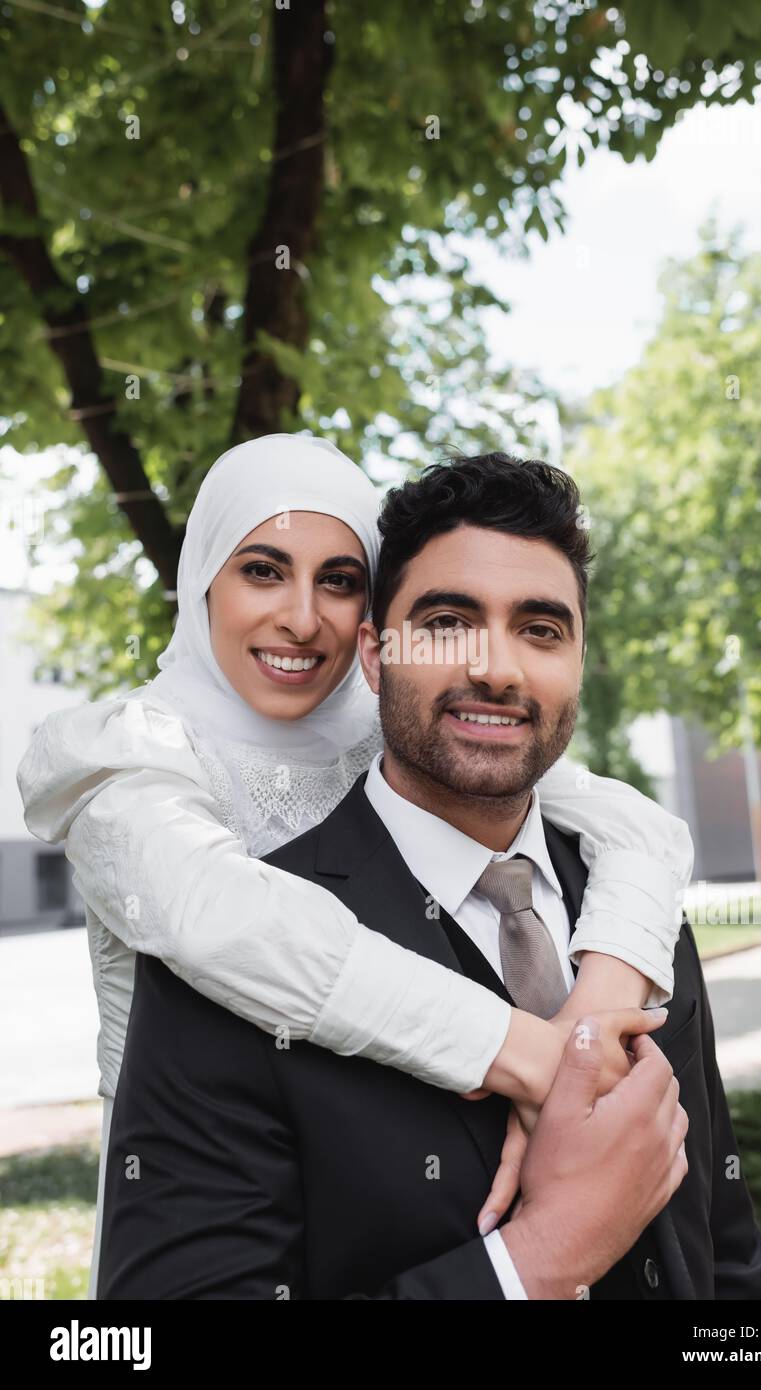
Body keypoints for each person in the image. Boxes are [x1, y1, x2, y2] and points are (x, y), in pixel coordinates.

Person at [17, 434, 691, 1297]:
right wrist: (543, 1061)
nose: (303, 618)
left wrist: (594, 1025)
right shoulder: (128, 757)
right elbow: (218, 920)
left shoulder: (407, 727)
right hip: (208, 1168)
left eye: (338, 580)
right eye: (262, 570)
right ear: (201, 583)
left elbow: (641, 830)